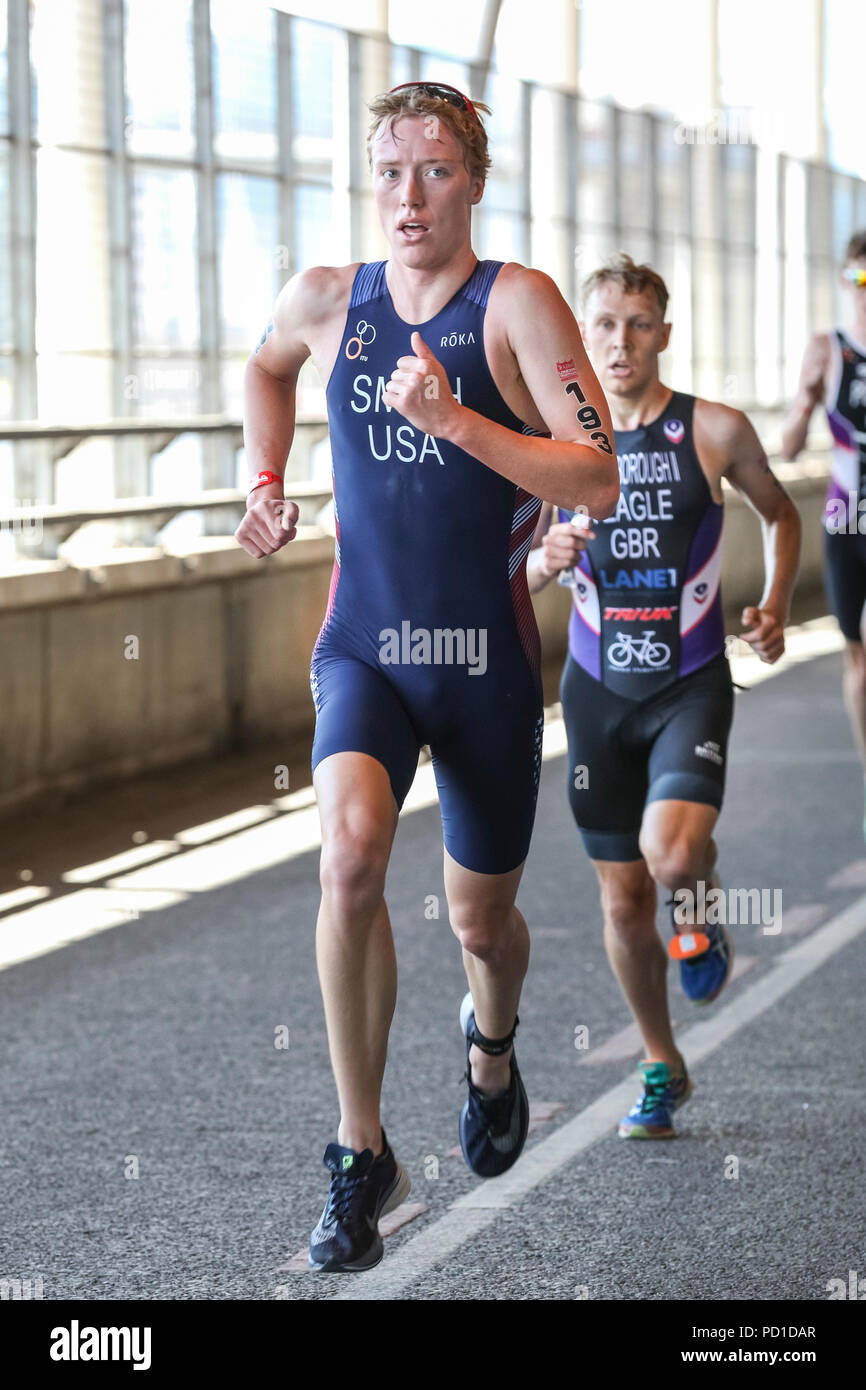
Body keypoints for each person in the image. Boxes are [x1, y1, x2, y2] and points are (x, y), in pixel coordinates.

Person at [235, 82, 618, 1270]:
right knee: (347, 855)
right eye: (390, 170)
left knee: (477, 919)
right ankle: (361, 1151)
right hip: (366, 647)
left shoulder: (519, 303)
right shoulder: (324, 299)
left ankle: (489, 1046)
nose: (410, 195)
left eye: (436, 170)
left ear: (475, 180)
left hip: (484, 661)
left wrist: (458, 422)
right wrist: (262, 481)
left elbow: (594, 479)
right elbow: (263, 371)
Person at [529, 253, 800, 1139]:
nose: (620, 341)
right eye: (603, 323)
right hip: (596, 695)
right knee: (620, 902)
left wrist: (775, 607)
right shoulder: (552, 440)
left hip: (687, 682)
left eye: (638, 323)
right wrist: (543, 562)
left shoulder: (712, 430)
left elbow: (783, 511)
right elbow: (515, 563)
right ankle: (661, 1062)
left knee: (673, 858)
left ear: (664, 335)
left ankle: (702, 906)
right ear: (582, 335)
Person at [782, 230, 866, 837]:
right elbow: (787, 447)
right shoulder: (828, 350)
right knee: (857, 656)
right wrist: (805, 403)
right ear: (845, 280)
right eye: (859, 279)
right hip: (844, 520)